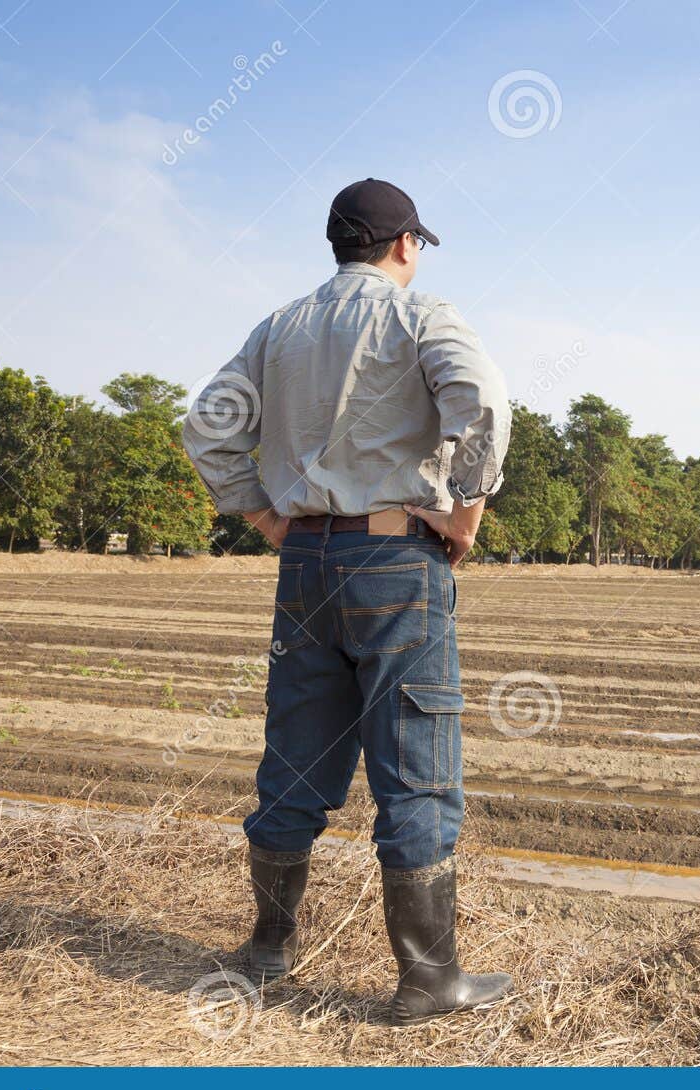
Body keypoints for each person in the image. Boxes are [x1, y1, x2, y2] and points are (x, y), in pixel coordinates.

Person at [184, 178, 512, 1025]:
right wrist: (466, 513)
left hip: (306, 564)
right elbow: (483, 403)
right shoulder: (422, 316)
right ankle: (429, 978)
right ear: (406, 245)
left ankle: (265, 951)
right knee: (417, 767)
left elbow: (208, 424)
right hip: (398, 560)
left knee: (294, 758)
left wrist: (263, 515)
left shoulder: (280, 327)